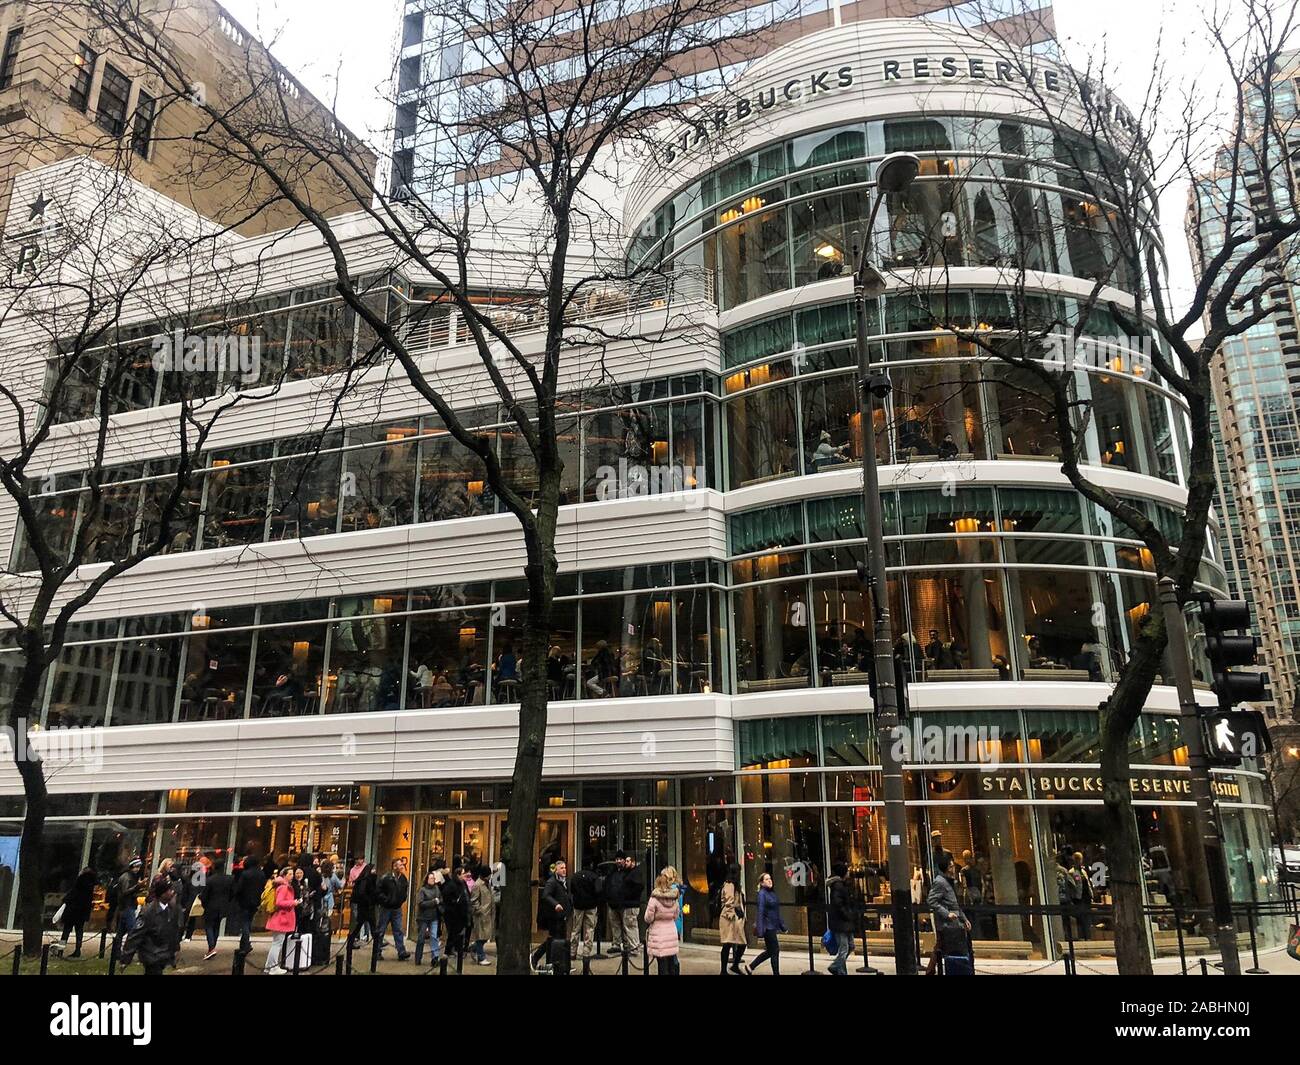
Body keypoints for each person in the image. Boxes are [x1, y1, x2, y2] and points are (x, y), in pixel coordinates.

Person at [121, 876, 183, 976]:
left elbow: (173, 931)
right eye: (169, 890)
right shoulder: (148, 912)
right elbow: (135, 935)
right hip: (151, 955)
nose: (172, 892)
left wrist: (176, 949)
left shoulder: (172, 910)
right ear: (162, 893)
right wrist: (126, 958)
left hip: (163, 954)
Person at [928, 855, 972, 975]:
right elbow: (931, 900)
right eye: (951, 866)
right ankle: (930, 971)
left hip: (954, 923)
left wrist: (964, 918)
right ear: (947, 868)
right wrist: (947, 914)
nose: (954, 868)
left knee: (940, 948)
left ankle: (930, 971)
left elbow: (955, 904)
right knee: (944, 949)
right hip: (947, 924)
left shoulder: (949, 881)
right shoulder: (940, 882)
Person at [532, 858, 574, 973]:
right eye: (562, 868)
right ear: (556, 870)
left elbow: (567, 895)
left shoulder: (565, 881)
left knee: (561, 940)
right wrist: (556, 904)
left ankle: (562, 964)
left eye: (565, 868)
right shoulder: (552, 882)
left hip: (563, 915)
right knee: (554, 940)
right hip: (554, 916)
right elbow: (546, 895)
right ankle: (538, 957)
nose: (564, 870)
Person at [745, 870, 787, 975]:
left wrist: (783, 926)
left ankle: (750, 967)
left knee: (770, 951)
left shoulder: (772, 893)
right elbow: (760, 912)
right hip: (768, 927)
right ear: (762, 883)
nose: (770, 881)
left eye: (770, 879)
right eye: (767, 879)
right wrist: (760, 930)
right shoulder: (762, 894)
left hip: (773, 925)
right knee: (775, 950)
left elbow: (776, 912)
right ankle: (776, 973)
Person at [643, 866, 681, 975]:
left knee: (662, 966)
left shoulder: (654, 899)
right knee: (671, 964)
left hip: (658, 934)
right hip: (671, 933)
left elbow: (648, 918)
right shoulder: (674, 898)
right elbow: (676, 915)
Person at [606, 849, 643, 956]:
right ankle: (617, 944)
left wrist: (626, 897)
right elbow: (608, 885)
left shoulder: (630, 873)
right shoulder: (612, 872)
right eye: (617, 859)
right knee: (616, 925)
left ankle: (631, 947)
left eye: (622, 859)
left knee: (628, 926)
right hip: (614, 903)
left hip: (626, 904)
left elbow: (636, 887)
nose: (619, 861)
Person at [374, 858, 411, 961]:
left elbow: (404, 891)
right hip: (386, 908)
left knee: (398, 930)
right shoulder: (386, 878)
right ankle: (376, 952)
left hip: (397, 908)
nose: (402, 866)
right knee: (381, 930)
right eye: (399, 865)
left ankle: (401, 951)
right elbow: (378, 891)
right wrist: (385, 900)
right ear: (394, 866)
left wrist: (401, 900)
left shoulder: (403, 879)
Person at [262, 869, 298, 974]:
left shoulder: (279, 885)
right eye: (290, 874)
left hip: (278, 918)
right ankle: (273, 967)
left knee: (276, 943)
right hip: (282, 919)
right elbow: (279, 902)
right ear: (284, 875)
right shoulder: (283, 887)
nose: (292, 876)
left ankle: (269, 966)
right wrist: (293, 902)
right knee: (277, 944)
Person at [198, 861, 234, 961]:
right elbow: (232, 893)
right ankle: (213, 946)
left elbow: (205, 895)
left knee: (209, 926)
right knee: (217, 926)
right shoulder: (230, 879)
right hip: (222, 907)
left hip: (211, 906)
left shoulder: (210, 880)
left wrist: (203, 902)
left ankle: (211, 947)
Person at [232, 855, 267, 956]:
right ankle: (244, 944)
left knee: (245, 923)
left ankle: (246, 944)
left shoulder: (245, 874)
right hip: (255, 901)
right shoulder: (261, 874)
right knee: (248, 921)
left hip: (244, 901)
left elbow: (240, 887)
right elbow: (263, 886)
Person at [59, 867, 96, 958]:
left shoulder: (79, 882)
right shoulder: (91, 885)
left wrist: (65, 900)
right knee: (79, 931)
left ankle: (61, 949)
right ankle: (78, 949)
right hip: (82, 911)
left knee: (66, 931)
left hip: (73, 910)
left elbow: (72, 894)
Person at [825, 861, 855, 976]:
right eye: (846, 871)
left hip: (844, 921)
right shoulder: (838, 886)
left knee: (850, 946)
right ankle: (836, 967)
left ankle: (839, 969)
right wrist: (848, 915)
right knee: (844, 947)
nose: (848, 873)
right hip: (841, 922)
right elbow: (839, 904)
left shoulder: (841, 885)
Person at [569, 860, 601, 963]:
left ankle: (572, 952)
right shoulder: (594, 876)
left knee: (575, 929)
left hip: (578, 905)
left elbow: (572, 890)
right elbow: (598, 890)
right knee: (589, 929)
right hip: (591, 906)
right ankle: (586, 953)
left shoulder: (575, 876)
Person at [718, 863, 747, 974]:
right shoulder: (730, 885)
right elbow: (729, 902)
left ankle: (733, 966)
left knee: (739, 943)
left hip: (734, 917)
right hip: (729, 918)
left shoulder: (735, 885)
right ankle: (724, 970)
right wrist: (732, 915)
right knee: (727, 944)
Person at [440, 861, 471, 960]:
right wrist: (455, 902)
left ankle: (455, 950)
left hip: (461, 913)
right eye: (462, 874)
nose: (464, 875)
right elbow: (446, 897)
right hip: (453, 914)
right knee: (454, 933)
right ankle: (449, 951)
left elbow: (466, 896)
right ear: (458, 875)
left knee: (458, 933)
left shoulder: (463, 884)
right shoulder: (451, 885)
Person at [414, 870, 444, 966]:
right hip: (423, 918)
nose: (433, 880)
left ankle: (435, 957)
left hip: (434, 917)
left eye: (434, 878)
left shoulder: (436, 888)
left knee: (434, 937)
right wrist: (433, 902)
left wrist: (438, 902)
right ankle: (418, 957)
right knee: (421, 938)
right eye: (431, 878)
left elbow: (440, 899)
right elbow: (421, 903)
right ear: (427, 879)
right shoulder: (422, 890)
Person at [469, 863, 495, 965]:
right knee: (481, 937)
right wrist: (480, 910)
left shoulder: (487, 883)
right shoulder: (477, 885)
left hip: (488, 914)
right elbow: (474, 900)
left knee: (486, 936)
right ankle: (481, 957)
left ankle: (473, 947)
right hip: (481, 915)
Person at [112, 858, 145, 938]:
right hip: (127, 906)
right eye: (136, 867)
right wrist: (138, 886)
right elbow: (125, 892)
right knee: (132, 930)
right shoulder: (127, 877)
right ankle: (128, 949)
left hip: (127, 906)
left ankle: (116, 949)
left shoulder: (130, 876)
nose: (138, 869)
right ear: (131, 866)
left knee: (121, 932)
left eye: (139, 867)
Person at [348, 862, 377, 948]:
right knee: (360, 925)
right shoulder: (366, 880)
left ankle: (377, 943)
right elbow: (363, 893)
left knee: (368, 925)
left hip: (365, 907)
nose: (375, 871)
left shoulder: (367, 879)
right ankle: (352, 941)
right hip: (364, 907)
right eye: (373, 869)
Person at [1071, 851, 1094, 940]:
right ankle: (1082, 936)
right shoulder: (1072, 872)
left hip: (1086, 897)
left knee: (1087, 917)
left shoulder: (1083, 871)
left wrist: (1091, 894)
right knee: (1080, 917)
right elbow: (1073, 886)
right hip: (1079, 898)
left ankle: (1087, 936)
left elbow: (1087, 884)